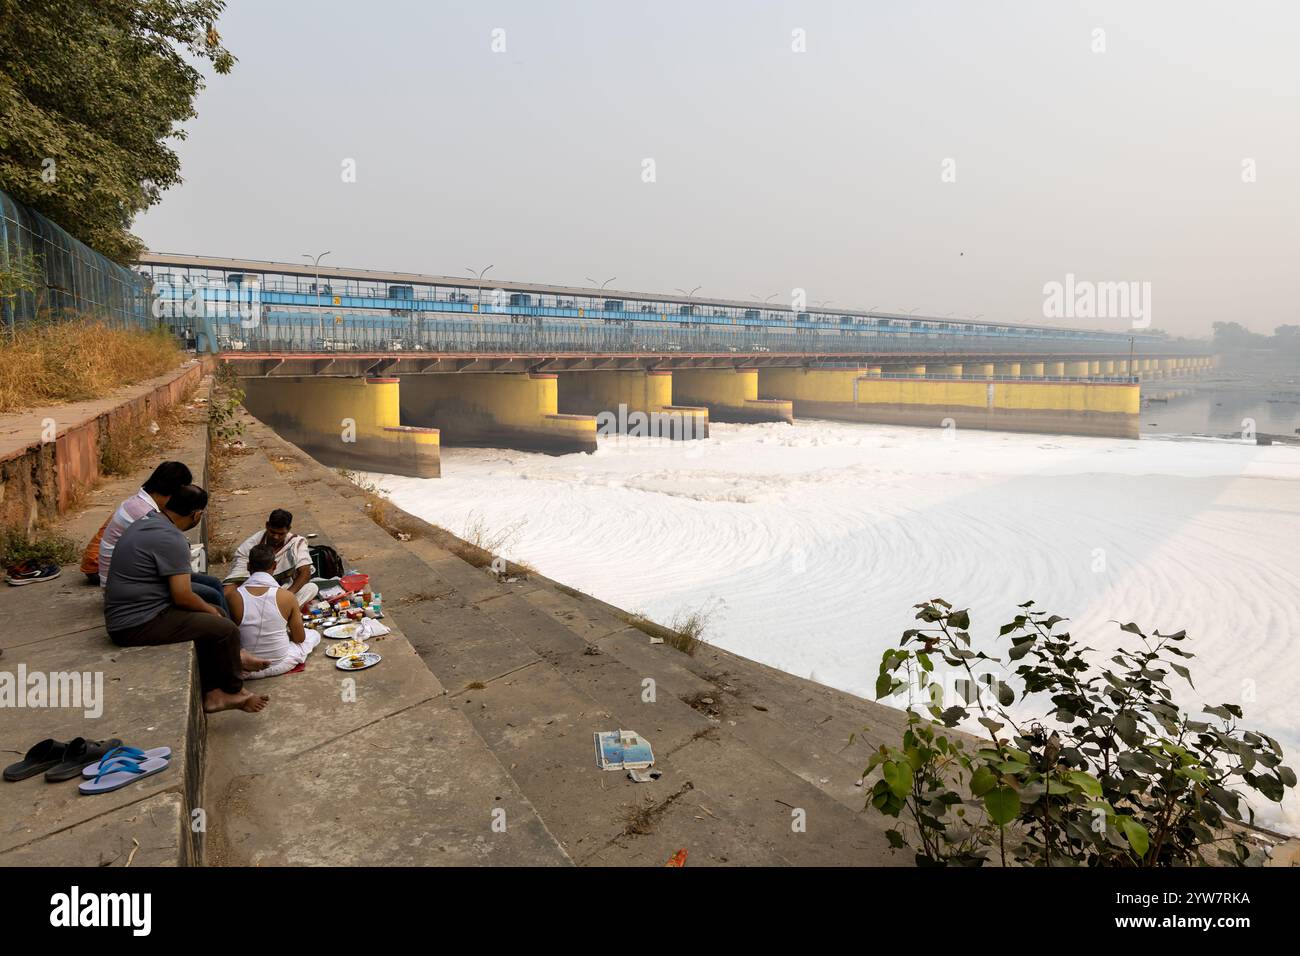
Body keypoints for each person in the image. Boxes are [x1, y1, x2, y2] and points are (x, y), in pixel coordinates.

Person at [104, 485, 270, 715]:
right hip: (136, 622)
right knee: (224, 628)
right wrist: (211, 613)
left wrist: (208, 610)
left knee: (211, 612)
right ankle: (233, 691)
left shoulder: (149, 521)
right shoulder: (171, 538)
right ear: (196, 514)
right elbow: (182, 595)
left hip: (136, 610)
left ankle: (215, 688)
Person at [88, 460, 230, 613]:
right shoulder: (144, 514)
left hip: (133, 575)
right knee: (211, 595)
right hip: (128, 586)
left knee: (214, 583)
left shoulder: (140, 503)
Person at [226, 544, 321, 679]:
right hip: (279, 664)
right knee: (313, 635)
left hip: (246, 670)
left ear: (248, 566)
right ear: (275, 566)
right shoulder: (287, 596)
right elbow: (300, 638)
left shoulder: (233, 597)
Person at [223, 509, 317, 607]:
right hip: (255, 595)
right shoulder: (250, 545)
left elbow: (305, 572)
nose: (276, 537)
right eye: (273, 532)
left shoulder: (296, 543)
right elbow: (235, 578)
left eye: (281, 534)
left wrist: (288, 596)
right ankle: (284, 611)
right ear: (267, 526)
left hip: (281, 593)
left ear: (288, 529)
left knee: (311, 588)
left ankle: (283, 609)